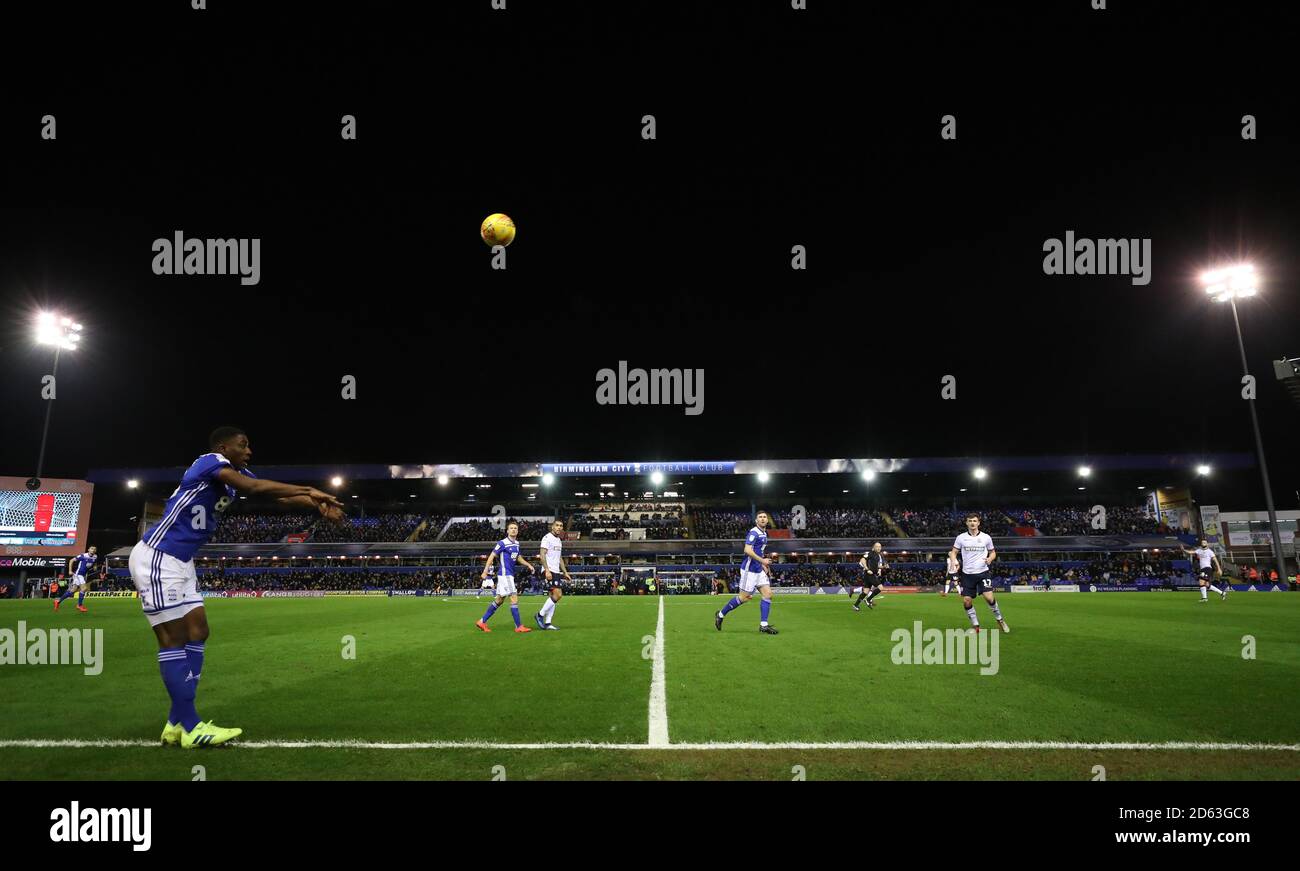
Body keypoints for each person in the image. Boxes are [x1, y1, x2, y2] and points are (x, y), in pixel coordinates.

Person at [130, 426, 344, 749]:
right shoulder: (208, 462)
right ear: (223, 447)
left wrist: (313, 503)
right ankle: (191, 726)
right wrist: (311, 489)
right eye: (243, 445)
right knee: (172, 638)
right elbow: (256, 487)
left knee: (199, 630)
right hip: (159, 557)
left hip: (182, 563)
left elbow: (279, 496)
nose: (249, 451)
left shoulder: (229, 479)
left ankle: (175, 722)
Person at [715, 511, 778, 634]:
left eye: (765, 517)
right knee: (744, 598)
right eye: (760, 517)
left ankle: (763, 625)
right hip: (749, 571)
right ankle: (721, 615)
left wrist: (762, 564)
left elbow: (758, 551)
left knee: (768, 594)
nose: (763, 519)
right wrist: (763, 560)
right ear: (756, 520)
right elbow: (747, 550)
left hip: (758, 569)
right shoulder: (754, 533)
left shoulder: (764, 533)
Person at [950, 514, 1010, 634]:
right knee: (967, 601)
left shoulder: (986, 537)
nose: (972, 523)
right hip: (967, 574)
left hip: (983, 572)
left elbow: (993, 552)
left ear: (979, 523)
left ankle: (1000, 620)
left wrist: (990, 559)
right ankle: (976, 626)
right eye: (970, 521)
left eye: (975, 521)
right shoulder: (961, 538)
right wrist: (954, 560)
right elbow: (953, 552)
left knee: (989, 598)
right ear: (966, 523)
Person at [475, 521, 537, 633]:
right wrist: (485, 571)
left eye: (515, 528)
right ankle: (519, 626)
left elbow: (517, 557)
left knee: (499, 600)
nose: (513, 530)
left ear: (517, 531)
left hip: (509, 575)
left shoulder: (517, 544)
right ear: (507, 531)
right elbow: (492, 556)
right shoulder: (502, 543)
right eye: (511, 528)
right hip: (505, 574)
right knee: (513, 597)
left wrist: (528, 564)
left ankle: (482, 621)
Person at [534, 519, 572, 630]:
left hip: (556, 571)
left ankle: (548, 623)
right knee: (558, 594)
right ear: (552, 527)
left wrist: (565, 572)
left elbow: (559, 558)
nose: (559, 527)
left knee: (553, 596)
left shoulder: (559, 540)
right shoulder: (547, 538)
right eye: (557, 525)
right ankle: (540, 615)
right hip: (549, 570)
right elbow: (542, 555)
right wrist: (547, 570)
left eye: (561, 526)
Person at [55, 546, 97, 613]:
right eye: (92, 549)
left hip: (83, 575)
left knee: (73, 591)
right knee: (84, 588)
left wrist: (95, 566)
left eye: (94, 549)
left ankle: (58, 601)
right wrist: (70, 571)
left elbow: (94, 562)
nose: (93, 550)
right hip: (78, 574)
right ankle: (79, 605)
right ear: (88, 550)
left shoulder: (95, 556)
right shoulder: (83, 556)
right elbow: (71, 560)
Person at [854, 542, 886, 611]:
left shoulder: (877, 555)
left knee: (865, 591)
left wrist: (883, 567)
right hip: (869, 575)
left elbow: (876, 566)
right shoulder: (870, 553)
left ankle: (855, 605)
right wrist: (867, 569)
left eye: (880, 547)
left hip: (870, 575)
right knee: (881, 587)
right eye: (877, 546)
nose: (878, 548)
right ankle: (868, 600)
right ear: (874, 547)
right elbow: (862, 560)